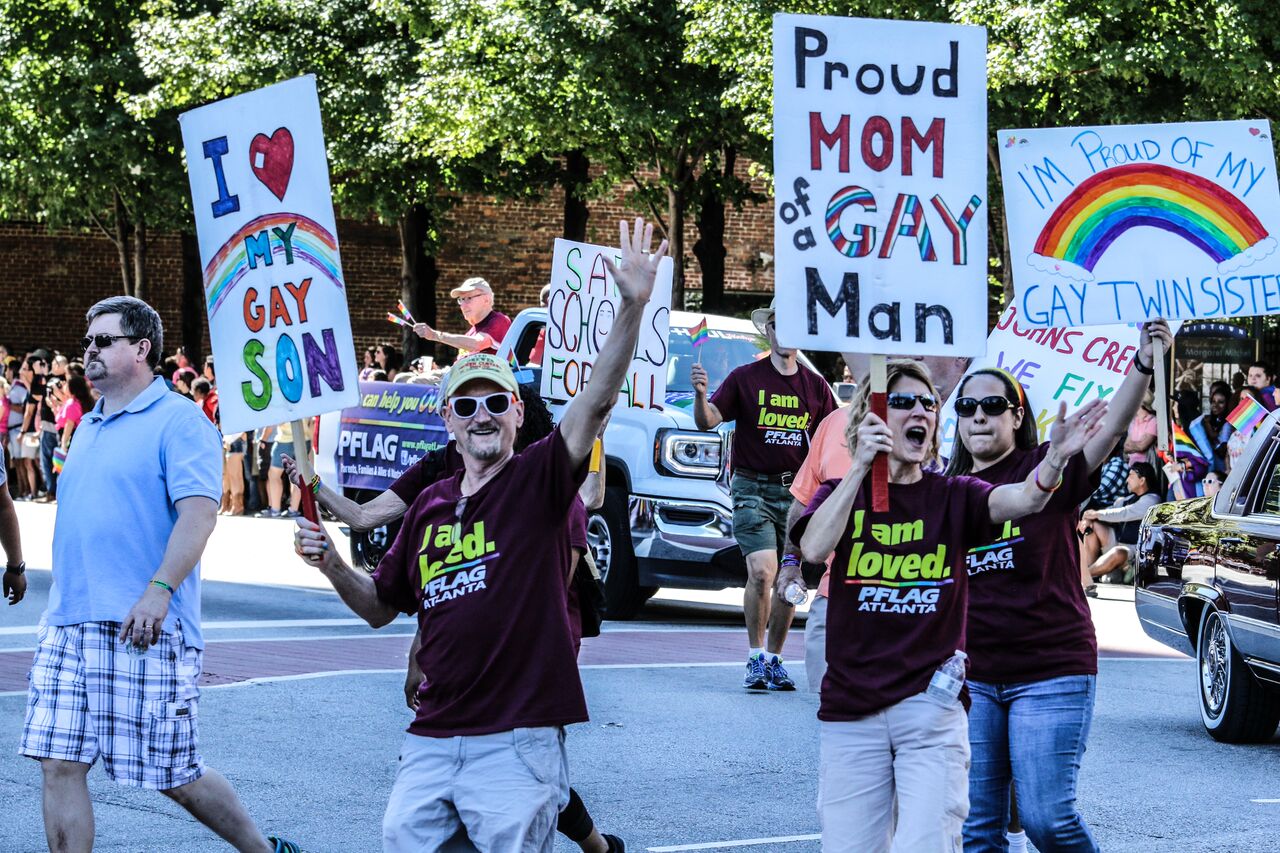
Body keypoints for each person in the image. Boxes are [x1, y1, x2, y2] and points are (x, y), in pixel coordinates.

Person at [294, 218, 665, 852]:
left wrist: (631, 307)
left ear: (518, 413)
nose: (481, 414)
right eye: (465, 405)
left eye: (496, 401)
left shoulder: (539, 480)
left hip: (518, 738)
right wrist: (330, 562)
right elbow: (381, 607)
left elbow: (597, 401)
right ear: (448, 421)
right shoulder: (429, 506)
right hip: (433, 736)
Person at [19, 295, 301, 853]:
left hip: (143, 623)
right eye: (87, 343)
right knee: (58, 763)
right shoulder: (91, 426)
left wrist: (159, 591)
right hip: (69, 622)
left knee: (173, 771)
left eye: (104, 341)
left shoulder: (180, 421)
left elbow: (199, 514)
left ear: (142, 348)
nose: (89, 352)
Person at [792, 359, 1106, 853]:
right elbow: (813, 549)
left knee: (928, 845)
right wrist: (858, 468)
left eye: (928, 403)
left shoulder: (954, 495)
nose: (920, 410)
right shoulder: (840, 494)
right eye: (902, 402)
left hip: (930, 711)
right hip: (853, 712)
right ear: (871, 418)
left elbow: (1022, 499)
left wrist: (1053, 463)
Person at [947, 320, 1171, 853]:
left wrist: (1142, 361)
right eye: (967, 407)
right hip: (973, 678)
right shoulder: (944, 487)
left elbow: (1112, 426)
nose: (979, 415)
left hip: (1051, 669)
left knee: (1048, 820)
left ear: (1016, 415)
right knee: (978, 831)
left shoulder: (1047, 462)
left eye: (993, 406)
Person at [690, 298, 837, 690]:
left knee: (790, 579)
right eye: (777, 325)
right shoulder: (745, 378)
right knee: (762, 571)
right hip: (751, 486)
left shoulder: (815, 385)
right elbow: (707, 422)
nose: (784, 333)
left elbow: (835, 433)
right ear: (768, 331)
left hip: (797, 491)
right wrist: (701, 394)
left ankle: (774, 659)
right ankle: (755, 658)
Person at [1079, 461, 1161, 592]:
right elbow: (1109, 511)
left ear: (1142, 480)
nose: (1127, 480)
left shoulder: (1152, 500)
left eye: (1131, 476)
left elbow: (1124, 513)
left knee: (1118, 552)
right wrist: (1089, 519)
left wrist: (1096, 514)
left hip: (1135, 551)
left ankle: (1081, 575)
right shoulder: (1126, 499)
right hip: (1118, 541)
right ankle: (1088, 575)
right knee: (1092, 527)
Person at [413, 277, 512, 356]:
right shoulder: (471, 332)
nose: (463, 305)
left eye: (469, 298)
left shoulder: (499, 320)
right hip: (466, 378)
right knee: (405, 377)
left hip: (481, 380)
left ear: (486, 300)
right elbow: (459, 365)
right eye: (461, 299)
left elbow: (477, 344)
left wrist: (435, 335)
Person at [1189, 381, 1231, 473]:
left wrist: (1208, 430)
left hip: (1222, 469)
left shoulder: (1228, 424)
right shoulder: (1209, 420)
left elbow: (1222, 451)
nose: (1215, 405)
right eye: (1213, 401)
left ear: (1227, 403)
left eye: (1221, 402)